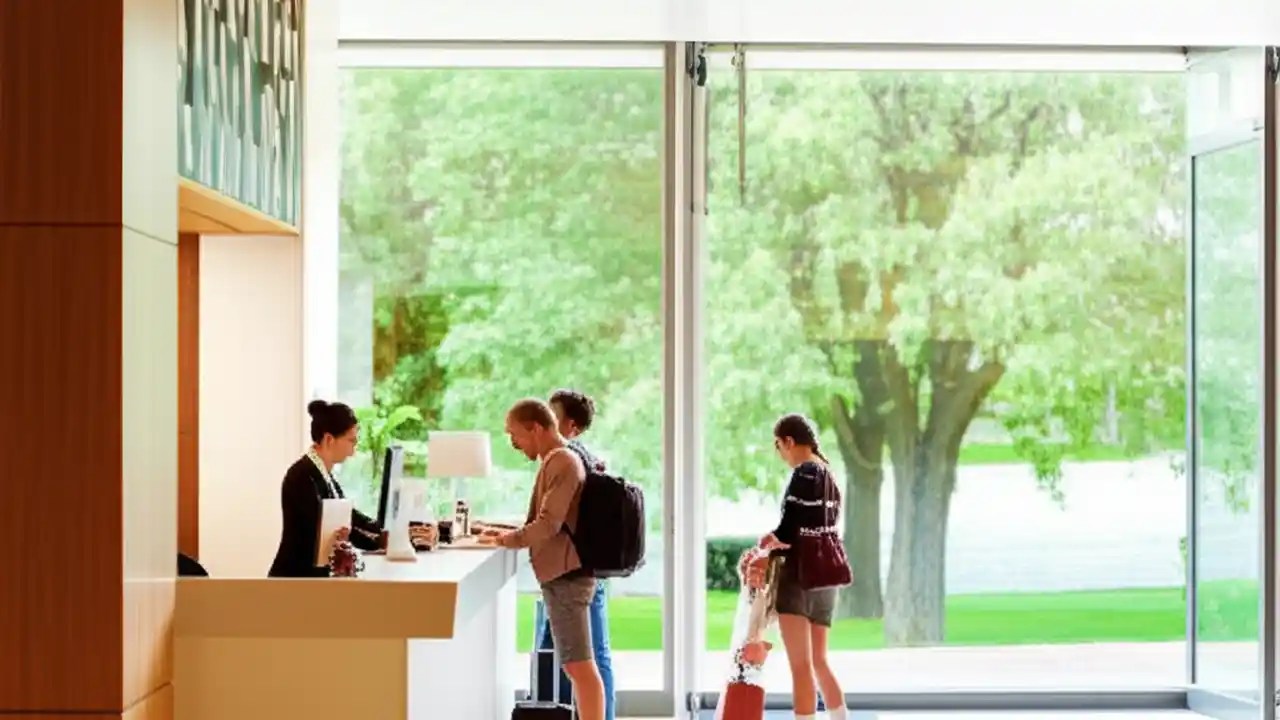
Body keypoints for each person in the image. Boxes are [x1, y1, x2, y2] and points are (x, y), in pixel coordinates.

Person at [482, 398, 606, 720]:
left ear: (534, 428)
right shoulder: (557, 460)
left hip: (568, 576)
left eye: (515, 435)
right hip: (562, 575)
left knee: (579, 664)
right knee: (575, 664)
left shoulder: (563, 462)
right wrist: (496, 530)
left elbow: (549, 523)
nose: (513, 444)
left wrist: (508, 540)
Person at [758, 413, 847, 720]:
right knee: (820, 661)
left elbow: (790, 528)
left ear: (789, 441)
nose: (780, 454)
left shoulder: (804, 472)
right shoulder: (829, 474)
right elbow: (817, 526)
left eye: (778, 446)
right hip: (827, 577)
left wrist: (766, 543)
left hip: (799, 577)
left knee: (801, 666)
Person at [543, 388, 615, 720]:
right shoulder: (583, 455)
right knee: (588, 656)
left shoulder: (567, 458)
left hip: (575, 570)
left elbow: (553, 520)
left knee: (589, 659)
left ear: (570, 425)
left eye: (551, 416)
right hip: (587, 567)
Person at [268, 400, 382, 577]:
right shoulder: (302, 476)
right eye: (351, 441)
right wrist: (378, 542)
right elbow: (323, 527)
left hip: (310, 577)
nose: (353, 451)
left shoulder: (324, 474)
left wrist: (379, 529)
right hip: (294, 579)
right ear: (329, 439)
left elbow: (349, 515)